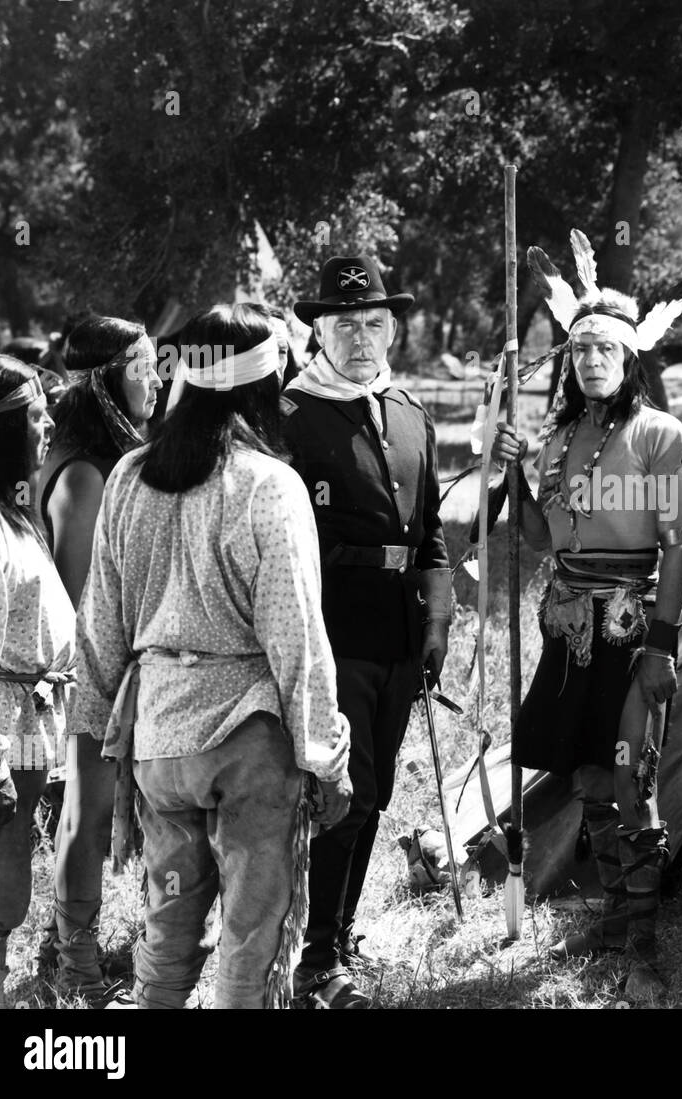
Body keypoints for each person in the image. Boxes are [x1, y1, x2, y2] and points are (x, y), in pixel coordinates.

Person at [71, 304, 352, 1009]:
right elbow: (296, 633)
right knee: (252, 943)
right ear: (261, 387)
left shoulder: (130, 477)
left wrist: (95, 736)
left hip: (159, 747)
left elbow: (98, 626)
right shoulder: (268, 484)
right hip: (248, 747)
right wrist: (324, 755)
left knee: (166, 936)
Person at [491, 235, 682, 1001]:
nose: (589, 359)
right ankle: (613, 914)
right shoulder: (556, 439)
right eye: (578, 348)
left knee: (627, 771)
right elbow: (543, 538)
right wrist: (516, 475)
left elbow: (678, 544)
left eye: (604, 347)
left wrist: (663, 643)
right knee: (584, 772)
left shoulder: (661, 437)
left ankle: (641, 935)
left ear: (631, 355)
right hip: (567, 621)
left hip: (631, 620)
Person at [283, 255, 451, 1008]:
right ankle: (314, 957)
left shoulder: (412, 411)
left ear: (392, 328)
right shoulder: (289, 414)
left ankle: (342, 931)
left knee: (378, 793)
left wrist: (439, 617)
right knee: (340, 794)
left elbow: (433, 534)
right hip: (331, 628)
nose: (361, 337)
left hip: (400, 631)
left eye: (374, 323)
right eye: (345, 324)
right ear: (318, 330)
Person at [35, 316, 160, 1005]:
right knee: (87, 816)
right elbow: (84, 606)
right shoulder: (84, 475)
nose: (157, 378)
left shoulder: (113, 455)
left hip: (130, 670)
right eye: (142, 366)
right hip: (98, 678)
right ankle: (73, 968)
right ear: (107, 379)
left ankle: (102, 947)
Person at [0, 355, 74, 1009]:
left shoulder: (11, 516)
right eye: (36, 417)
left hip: (28, 730)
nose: (49, 427)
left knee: (7, 878)